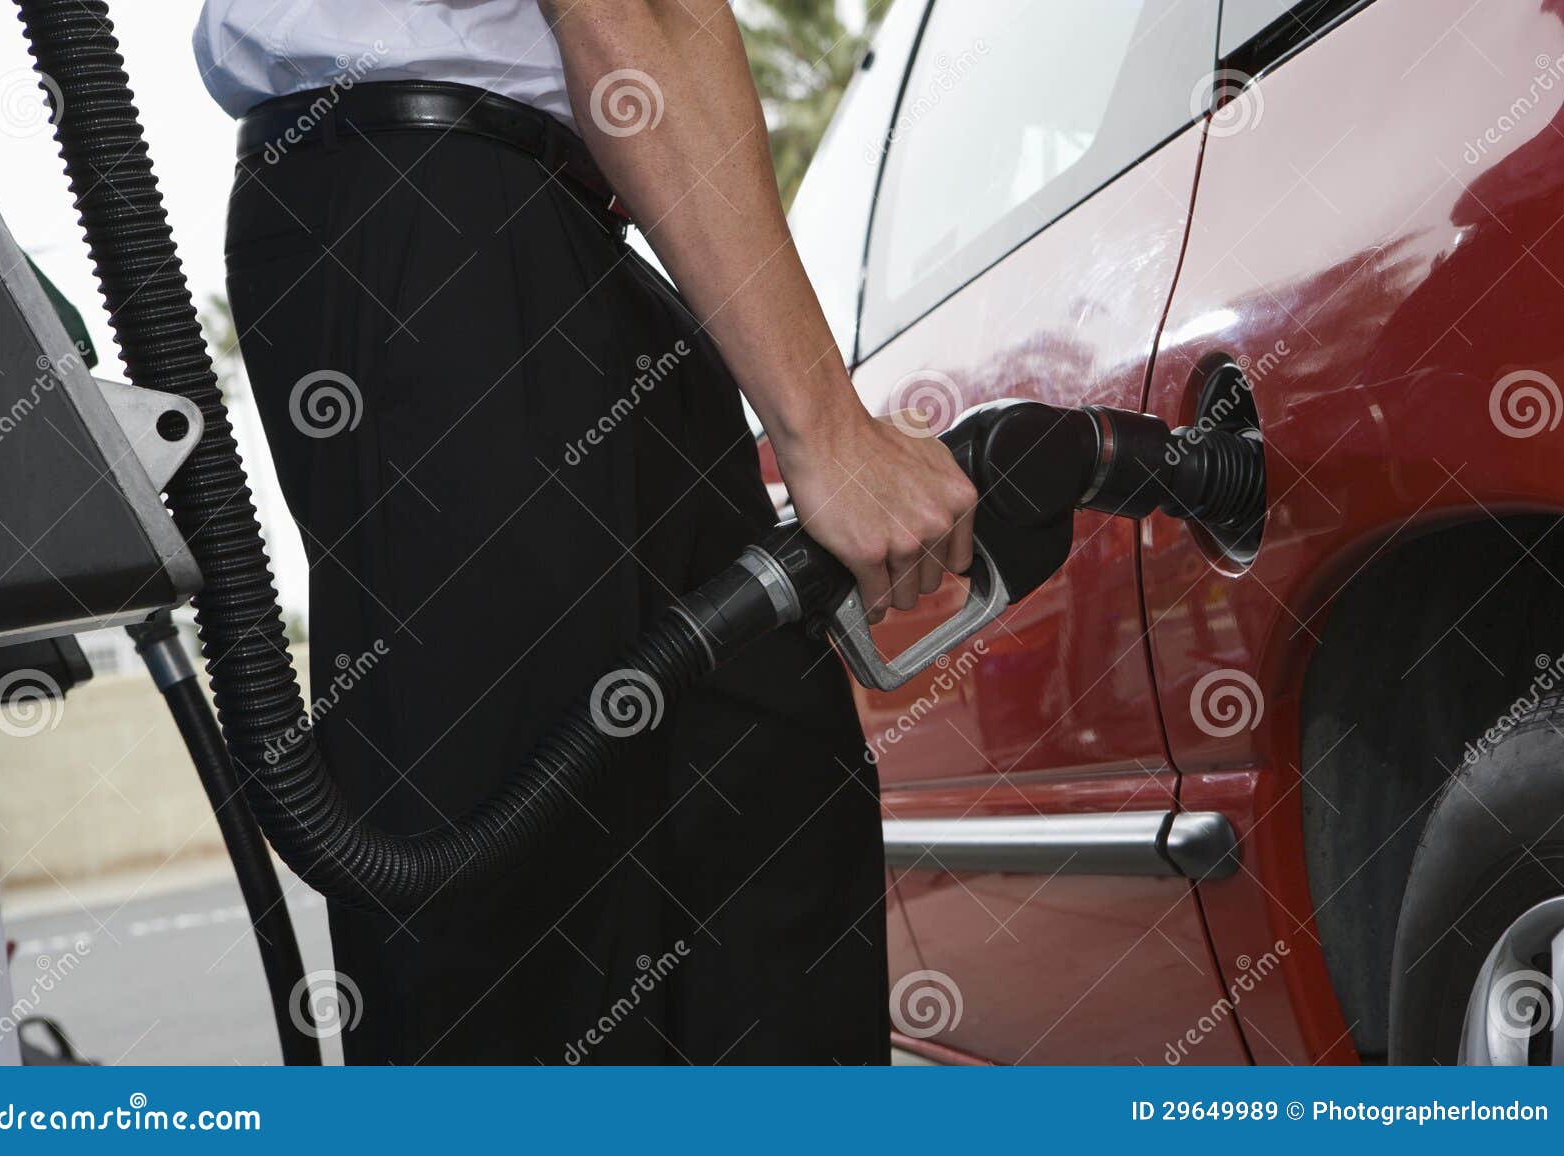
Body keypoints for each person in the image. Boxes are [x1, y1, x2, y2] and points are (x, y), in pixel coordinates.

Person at [193, 0, 976, 1064]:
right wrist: (825, 428)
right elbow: (640, 17)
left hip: (548, 218)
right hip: (444, 222)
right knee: (521, 905)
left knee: (763, 816)